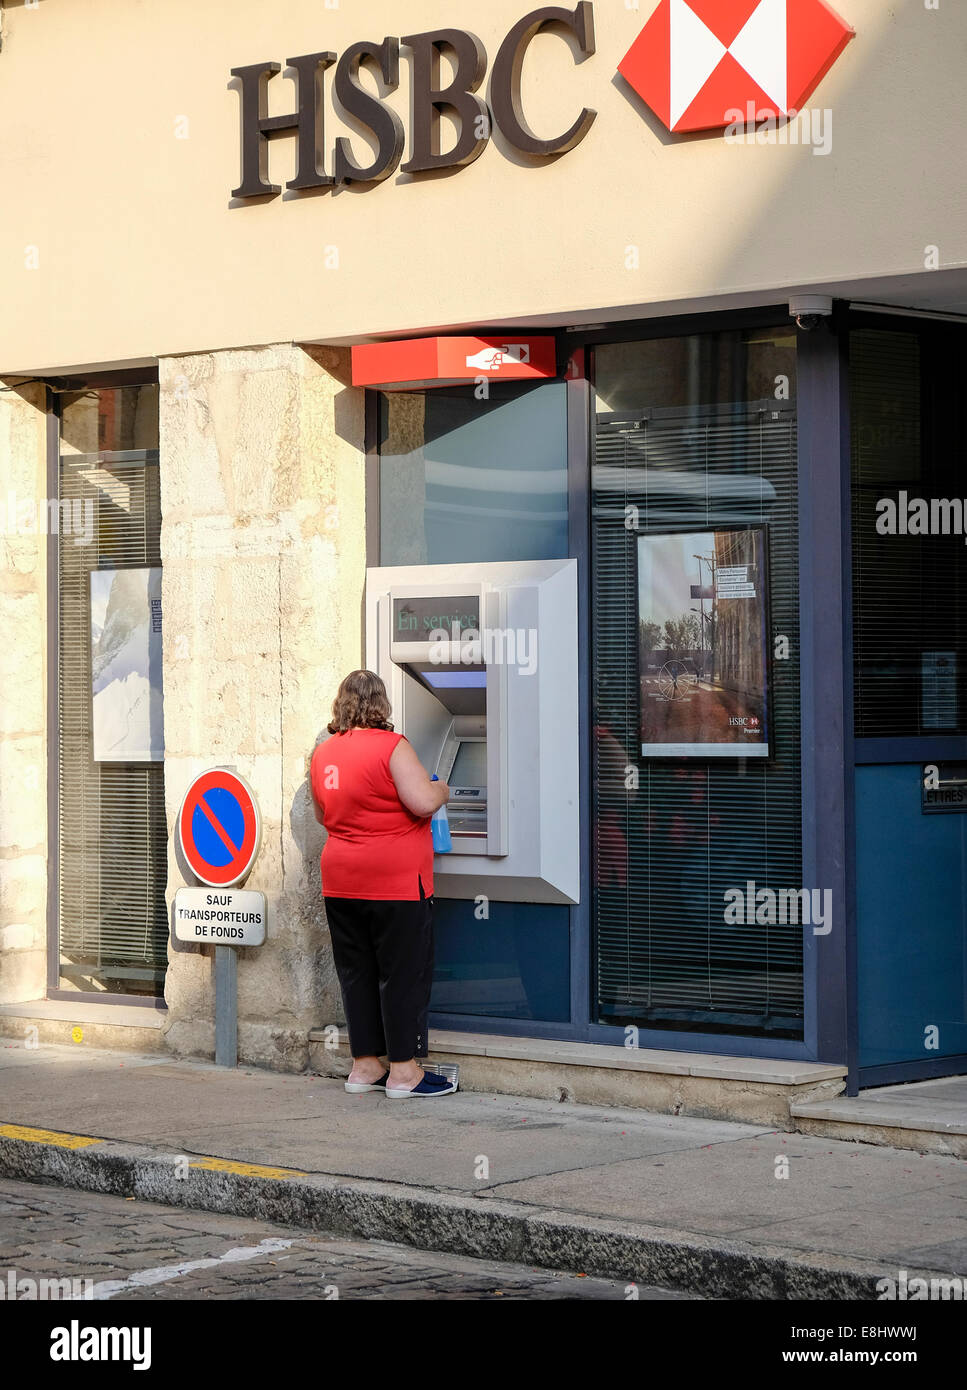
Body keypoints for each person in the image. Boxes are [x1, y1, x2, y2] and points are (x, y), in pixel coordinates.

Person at [309, 669, 457, 1099]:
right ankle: (404, 1074)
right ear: (381, 704)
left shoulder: (323, 753)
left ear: (341, 704)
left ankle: (365, 1066)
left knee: (357, 972)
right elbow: (422, 800)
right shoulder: (393, 746)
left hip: (341, 880)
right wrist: (444, 789)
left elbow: (324, 816)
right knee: (401, 973)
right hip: (394, 882)